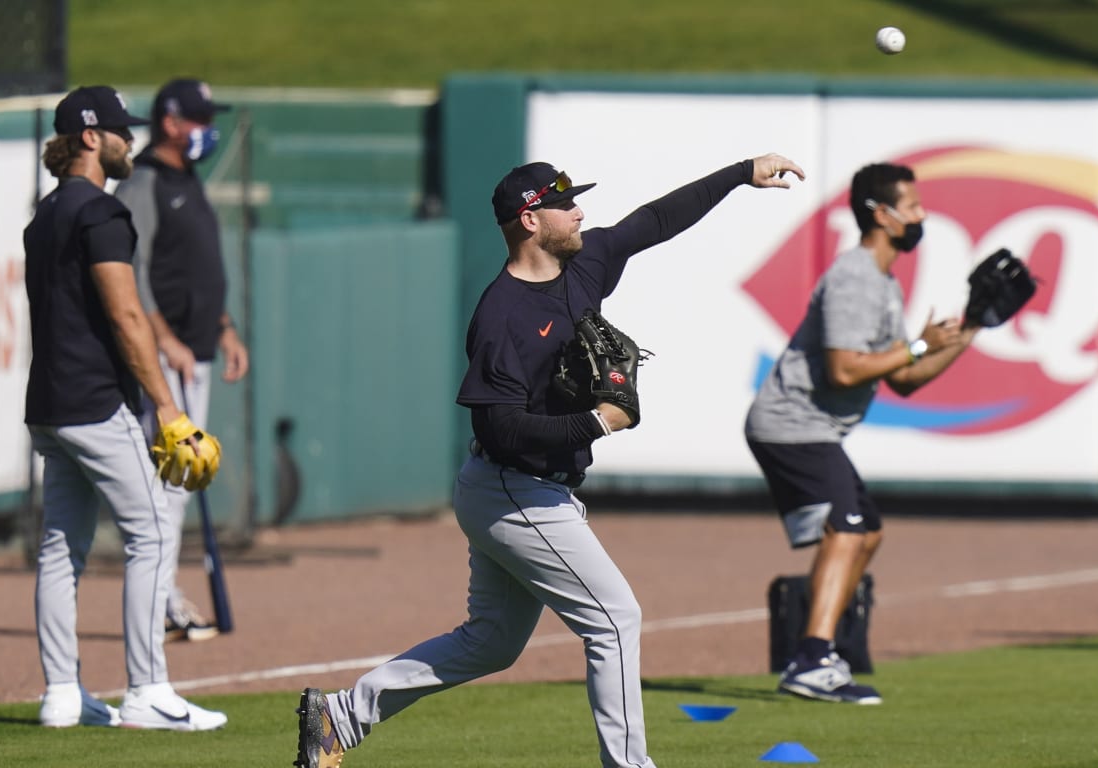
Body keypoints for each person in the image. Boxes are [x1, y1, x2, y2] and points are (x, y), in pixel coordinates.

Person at [294, 153, 806, 768]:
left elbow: (655, 220)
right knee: (616, 620)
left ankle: (342, 715)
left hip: (525, 488)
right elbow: (498, 425)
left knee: (490, 643)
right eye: (564, 204)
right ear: (530, 220)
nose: (579, 211)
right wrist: (595, 422)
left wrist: (741, 173)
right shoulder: (501, 316)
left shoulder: (583, 266)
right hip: (513, 487)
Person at [25, 85, 227, 730]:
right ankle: (148, 692)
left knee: (61, 549)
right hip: (94, 402)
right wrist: (168, 408)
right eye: (118, 131)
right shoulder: (100, 213)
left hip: (50, 405)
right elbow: (125, 312)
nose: (129, 141)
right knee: (153, 533)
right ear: (90, 138)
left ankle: (62, 694)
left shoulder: (46, 213)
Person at [744, 162, 977, 705]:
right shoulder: (854, 277)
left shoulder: (884, 282)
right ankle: (812, 659)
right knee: (845, 527)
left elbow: (904, 378)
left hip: (813, 428)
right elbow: (846, 369)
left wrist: (972, 329)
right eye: (912, 206)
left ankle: (820, 652)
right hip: (791, 424)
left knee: (866, 530)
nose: (921, 216)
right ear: (881, 213)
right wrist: (918, 344)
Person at [114, 78, 248, 643]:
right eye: (196, 119)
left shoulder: (187, 180)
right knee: (167, 481)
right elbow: (132, 270)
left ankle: (165, 596)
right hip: (164, 357)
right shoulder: (144, 182)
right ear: (170, 122)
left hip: (196, 351)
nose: (205, 129)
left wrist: (225, 329)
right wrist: (162, 338)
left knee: (178, 480)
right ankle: (162, 600)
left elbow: (201, 267)